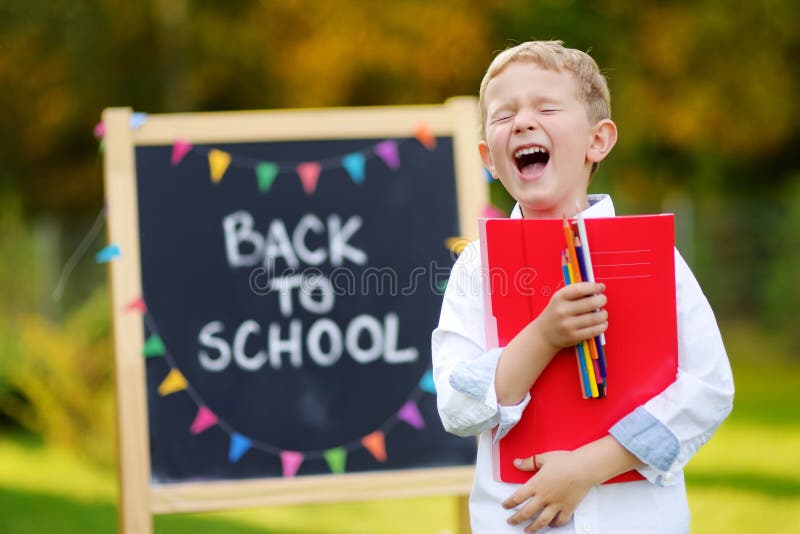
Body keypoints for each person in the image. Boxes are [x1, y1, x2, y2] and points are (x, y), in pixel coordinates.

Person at [431, 40, 734, 533]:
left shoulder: (652, 256)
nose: (524, 122)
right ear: (489, 156)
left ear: (598, 141)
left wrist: (586, 468)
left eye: (546, 108)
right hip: (519, 518)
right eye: (505, 114)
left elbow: (708, 388)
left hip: (636, 520)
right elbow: (457, 406)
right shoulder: (476, 267)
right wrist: (543, 336)